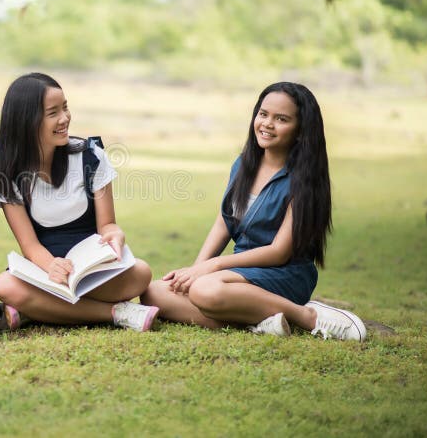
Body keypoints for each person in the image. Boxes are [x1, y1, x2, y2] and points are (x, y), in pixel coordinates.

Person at [141, 82, 366, 341]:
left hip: (284, 273)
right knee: (153, 292)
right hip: (240, 273)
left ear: (301, 130)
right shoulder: (243, 164)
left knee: (205, 290)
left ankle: (307, 316)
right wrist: (195, 269)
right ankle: (260, 322)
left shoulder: (304, 181)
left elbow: (278, 252)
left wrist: (212, 267)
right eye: (263, 114)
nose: (268, 124)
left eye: (281, 119)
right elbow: (224, 223)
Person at [0, 73, 159, 332]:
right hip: (45, 271)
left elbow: (108, 225)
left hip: (93, 271)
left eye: (65, 108)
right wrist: (52, 267)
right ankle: (116, 313)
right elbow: (30, 246)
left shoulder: (91, 156)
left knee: (141, 274)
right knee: (5, 285)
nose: (65, 118)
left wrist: (116, 236)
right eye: (53, 113)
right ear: (27, 121)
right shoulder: (6, 173)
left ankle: (38, 309)